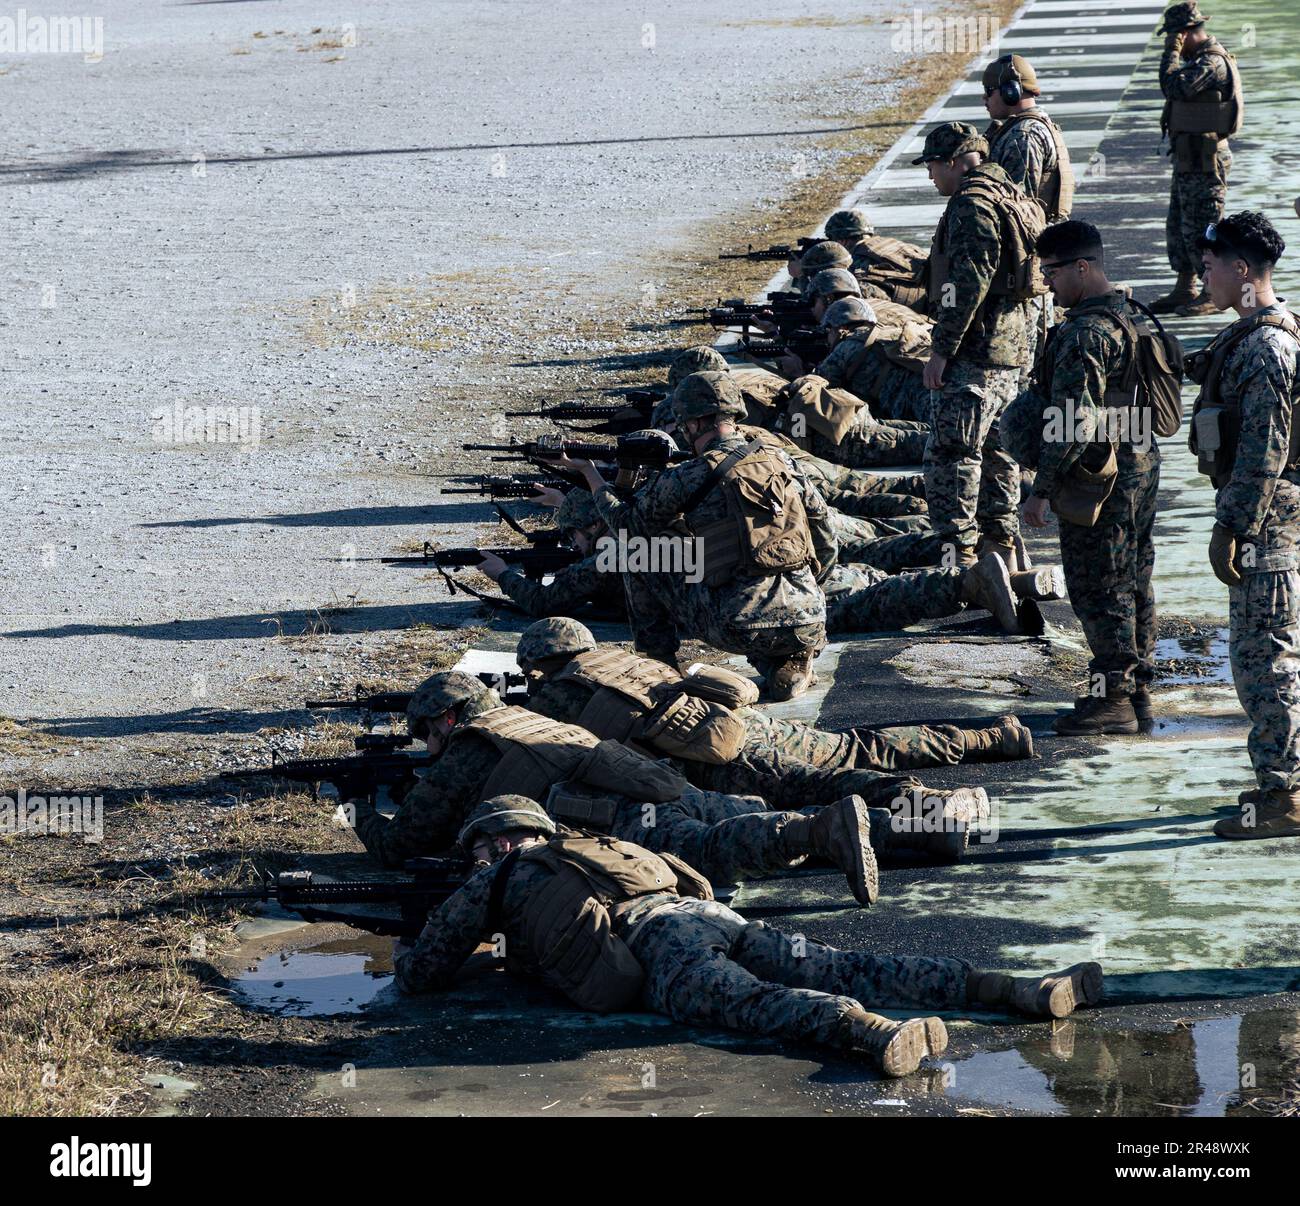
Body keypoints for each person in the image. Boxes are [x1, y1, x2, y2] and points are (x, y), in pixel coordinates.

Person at [394, 796, 1106, 1079]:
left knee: (752, 1003)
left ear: (494, 842)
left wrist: (414, 954)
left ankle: (874, 1034)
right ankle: (1017, 988)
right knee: (846, 964)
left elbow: (425, 971)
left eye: (478, 850)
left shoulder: (497, 878)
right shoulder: (592, 846)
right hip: (711, 918)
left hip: (659, 947)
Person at [549, 371, 831, 700]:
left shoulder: (691, 474)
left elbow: (627, 527)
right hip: (812, 618)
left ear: (695, 424)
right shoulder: (783, 461)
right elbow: (826, 537)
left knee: (638, 554)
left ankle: (660, 670)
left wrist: (591, 474)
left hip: (739, 626)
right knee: (761, 609)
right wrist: (805, 593)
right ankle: (787, 659)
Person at [515, 617, 1033, 776]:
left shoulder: (557, 696)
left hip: (714, 757)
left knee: (824, 788)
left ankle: (931, 817)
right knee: (855, 749)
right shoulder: (623, 659)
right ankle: (989, 737)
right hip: (740, 720)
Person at [1017, 220, 1162, 734]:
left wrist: (1041, 490)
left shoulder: (1084, 333)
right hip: (1139, 462)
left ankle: (1111, 699)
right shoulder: (1132, 314)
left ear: (1082, 267)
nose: (1046, 282)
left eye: (1052, 272)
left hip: (1099, 475)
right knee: (1133, 581)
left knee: (1098, 587)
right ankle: (1136, 691)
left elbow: (1070, 421)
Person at [1184, 213, 1300, 839]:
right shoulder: (1256, 333)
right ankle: (1282, 782)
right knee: (1265, 653)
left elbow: (1263, 451)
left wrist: (1230, 527)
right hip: (1269, 517)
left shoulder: (1265, 348)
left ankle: (1286, 795)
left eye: (1210, 267)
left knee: (1266, 659)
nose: (1203, 277)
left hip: (1267, 524)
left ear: (1242, 270)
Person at [917, 121, 1040, 571]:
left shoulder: (970, 204)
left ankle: (961, 563)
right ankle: (1001, 547)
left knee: (952, 456)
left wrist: (942, 350)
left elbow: (969, 282)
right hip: (1014, 351)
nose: (930, 176)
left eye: (932, 166)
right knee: (999, 453)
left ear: (953, 161)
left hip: (976, 354)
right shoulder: (1011, 192)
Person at [981, 52, 1076, 381]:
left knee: (1022, 369)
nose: (984, 100)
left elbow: (1017, 211)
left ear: (1010, 91)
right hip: (1037, 260)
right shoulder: (1026, 129)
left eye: (989, 91)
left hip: (1026, 264)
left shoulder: (1023, 137)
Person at [1151, 2, 1243, 317]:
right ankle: (1185, 286)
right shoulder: (1200, 61)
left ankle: (1212, 293)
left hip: (1206, 160)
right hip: (1190, 157)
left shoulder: (1211, 62)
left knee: (1203, 227)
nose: (1172, 42)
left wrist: (1170, 53)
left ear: (1186, 33)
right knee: (1180, 225)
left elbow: (1172, 86)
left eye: (1174, 36)